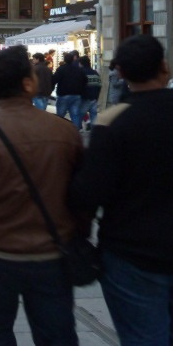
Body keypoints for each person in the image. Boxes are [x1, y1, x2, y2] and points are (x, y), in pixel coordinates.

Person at [0, 45, 85, 345]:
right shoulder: (65, 132)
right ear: (27, 84)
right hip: (50, 255)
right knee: (57, 334)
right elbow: (83, 196)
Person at [70, 35, 173, 345]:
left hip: (132, 251)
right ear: (164, 68)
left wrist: (78, 234)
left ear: (122, 75)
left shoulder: (112, 122)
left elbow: (90, 191)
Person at [52, 51, 87, 129]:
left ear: (64, 60)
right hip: (77, 95)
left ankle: (60, 130)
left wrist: (51, 87)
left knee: (60, 115)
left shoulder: (61, 69)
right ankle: (76, 131)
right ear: (73, 59)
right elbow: (85, 80)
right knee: (75, 114)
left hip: (63, 94)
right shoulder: (79, 69)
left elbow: (54, 79)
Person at [79, 55, 101, 130]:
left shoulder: (81, 72)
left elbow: (79, 85)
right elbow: (99, 85)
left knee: (80, 114)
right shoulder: (95, 73)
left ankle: (78, 129)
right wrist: (96, 96)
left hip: (85, 97)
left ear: (81, 63)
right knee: (94, 114)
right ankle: (94, 131)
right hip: (94, 97)